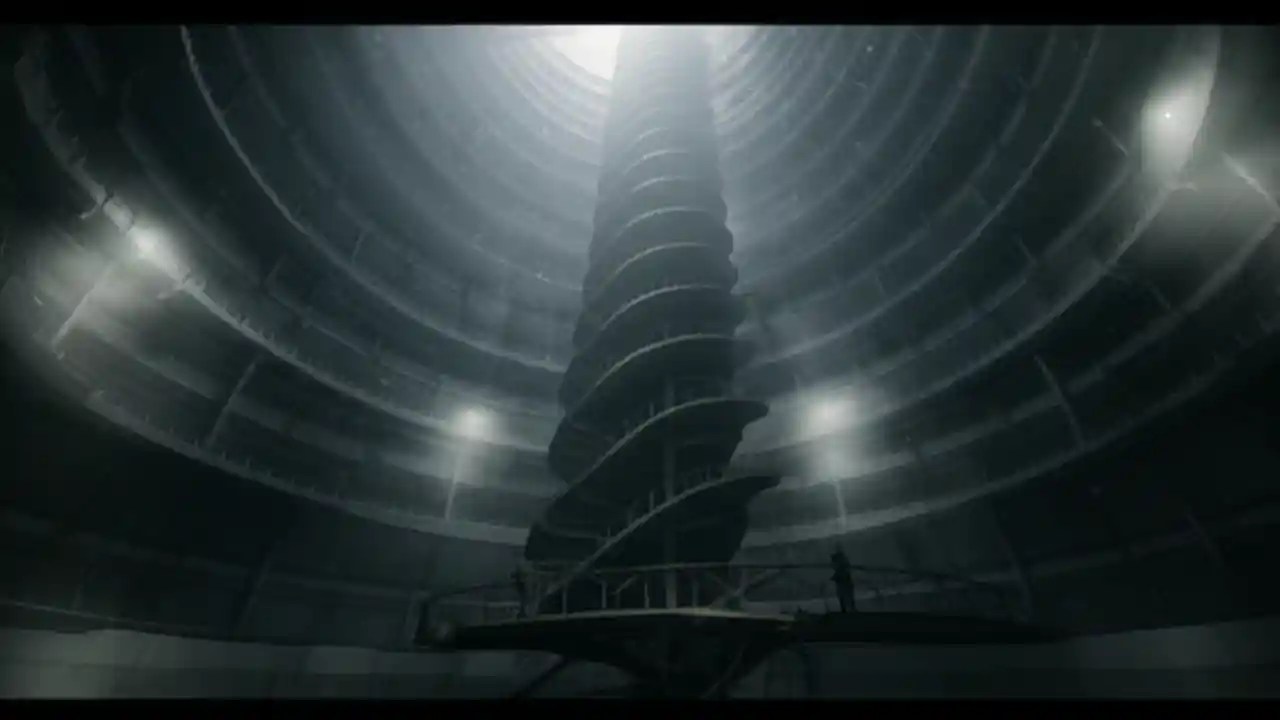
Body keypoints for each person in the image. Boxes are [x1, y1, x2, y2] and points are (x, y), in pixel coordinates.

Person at [830, 546, 856, 613]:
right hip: (843, 583)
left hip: (846, 582)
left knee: (848, 597)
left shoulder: (843, 560)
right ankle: (846, 610)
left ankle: (850, 609)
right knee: (843, 597)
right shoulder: (839, 560)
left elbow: (847, 569)